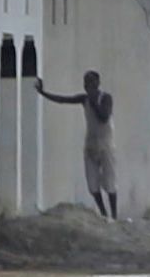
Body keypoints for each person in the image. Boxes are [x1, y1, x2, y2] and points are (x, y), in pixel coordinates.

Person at [37, 70, 120, 218]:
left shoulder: (106, 98)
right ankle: (103, 213)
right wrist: (43, 93)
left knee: (110, 181)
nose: (88, 86)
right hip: (90, 145)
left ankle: (114, 214)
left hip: (106, 145)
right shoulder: (84, 99)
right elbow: (63, 100)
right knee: (92, 183)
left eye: (91, 83)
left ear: (98, 84)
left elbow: (104, 117)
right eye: (86, 83)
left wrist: (94, 102)